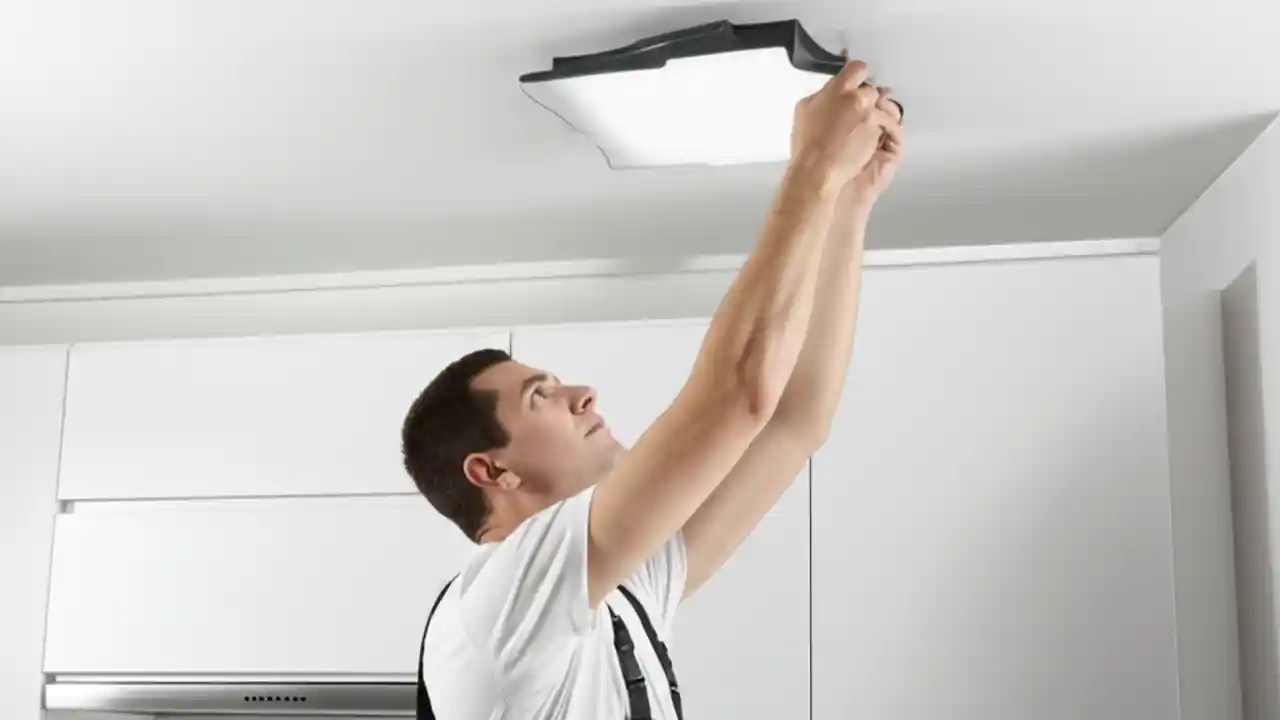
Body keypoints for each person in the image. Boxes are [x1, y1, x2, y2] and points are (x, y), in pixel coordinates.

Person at [401, 60, 905, 720]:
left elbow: (792, 421)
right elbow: (738, 398)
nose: (582, 394)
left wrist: (847, 205)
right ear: (491, 469)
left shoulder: (618, 592)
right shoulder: (497, 608)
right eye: (539, 397)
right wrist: (811, 169)